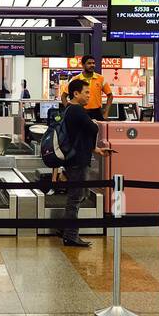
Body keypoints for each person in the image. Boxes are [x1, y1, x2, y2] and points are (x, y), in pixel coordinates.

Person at [58, 76, 111, 248]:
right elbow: (94, 128)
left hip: (74, 158)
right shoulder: (77, 110)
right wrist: (94, 121)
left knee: (76, 196)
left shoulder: (70, 110)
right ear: (76, 93)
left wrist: (94, 149)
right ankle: (71, 235)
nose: (90, 95)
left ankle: (67, 230)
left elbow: (78, 137)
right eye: (86, 92)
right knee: (76, 197)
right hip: (77, 161)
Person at [78, 55, 112, 121]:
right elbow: (64, 96)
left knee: (98, 131)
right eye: (89, 63)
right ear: (83, 65)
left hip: (97, 112)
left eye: (93, 63)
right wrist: (70, 110)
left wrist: (106, 113)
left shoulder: (101, 78)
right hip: (81, 111)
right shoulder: (76, 79)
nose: (92, 65)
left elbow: (110, 95)